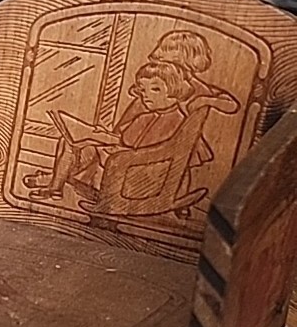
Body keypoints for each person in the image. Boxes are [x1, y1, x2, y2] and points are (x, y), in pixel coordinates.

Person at [24, 30, 238, 204]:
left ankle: (57, 181)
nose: (163, 63)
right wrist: (106, 134)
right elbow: (130, 124)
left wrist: (207, 101)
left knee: (95, 149)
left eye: (172, 59)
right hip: (134, 140)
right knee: (74, 141)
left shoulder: (195, 88)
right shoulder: (155, 82)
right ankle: (55, 185)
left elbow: (230, 104)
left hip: (160, 147)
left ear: (189, 61)